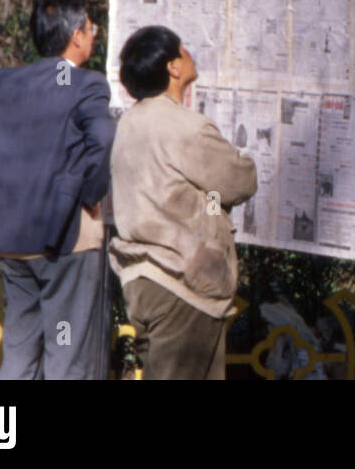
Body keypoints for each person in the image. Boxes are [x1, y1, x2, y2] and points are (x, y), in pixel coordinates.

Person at [0, 0, 115, 380]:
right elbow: (104, 140)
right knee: (67, 353)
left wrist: (5, 180)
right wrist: (87, 193)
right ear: (76, 35)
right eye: (90, 27)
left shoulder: (4, 83)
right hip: (67, 239)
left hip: (13, 237)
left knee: (20, 352)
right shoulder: (86, 84)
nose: (94, 34)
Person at [109, 25, 256, 380]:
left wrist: (207, 197)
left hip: (142, 279)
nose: (190, 54)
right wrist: (213, 199)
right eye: (183, 49)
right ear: (174, 67)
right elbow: (242, 180)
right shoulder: (185, 127)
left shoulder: (129, 123)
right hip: (182, 286)